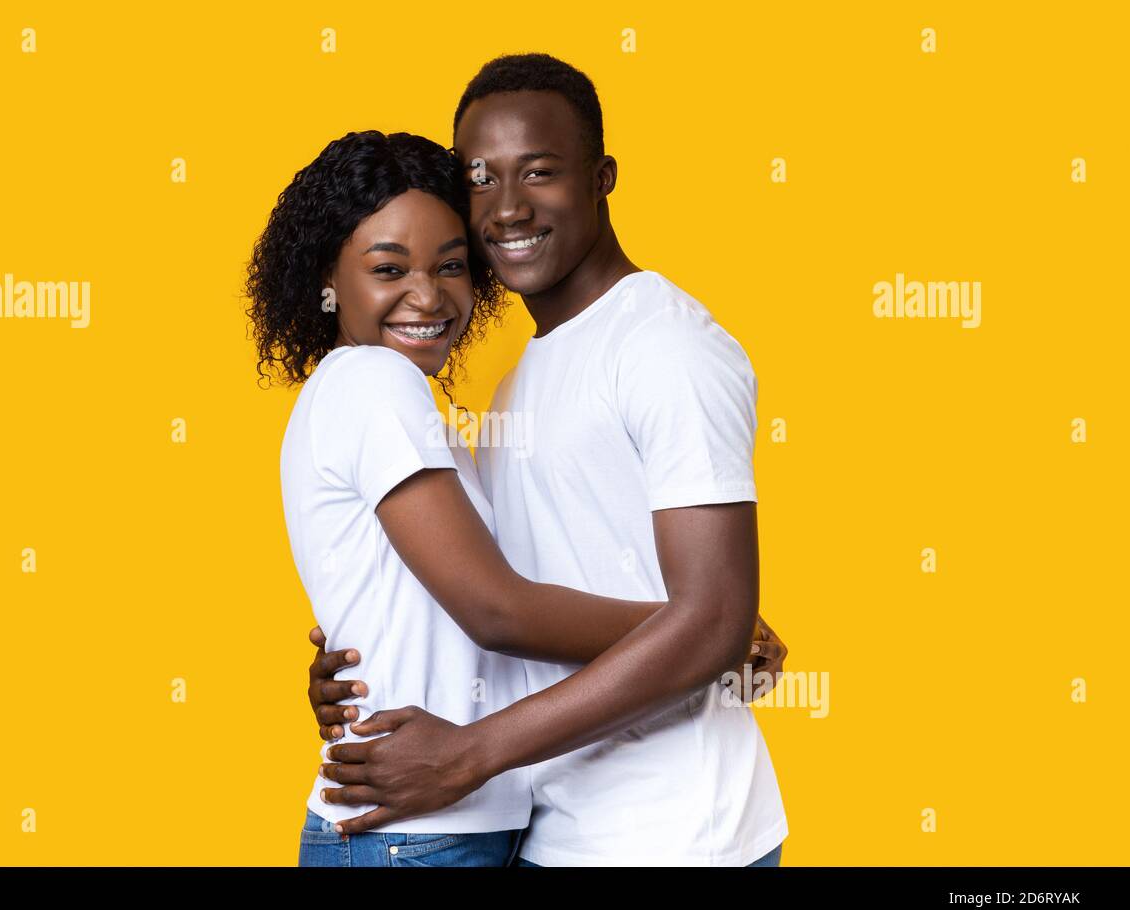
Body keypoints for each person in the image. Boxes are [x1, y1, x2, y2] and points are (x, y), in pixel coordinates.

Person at [308, 54, 790, 866]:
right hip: (551, 824)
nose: (507, 208)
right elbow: (521, 598)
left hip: (673, 834)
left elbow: (709, 620)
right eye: (481, 178)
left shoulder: (666, 347)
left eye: (539, 172)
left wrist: (472, 752)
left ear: (602, 177)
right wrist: (365, 664)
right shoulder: (515, 384)